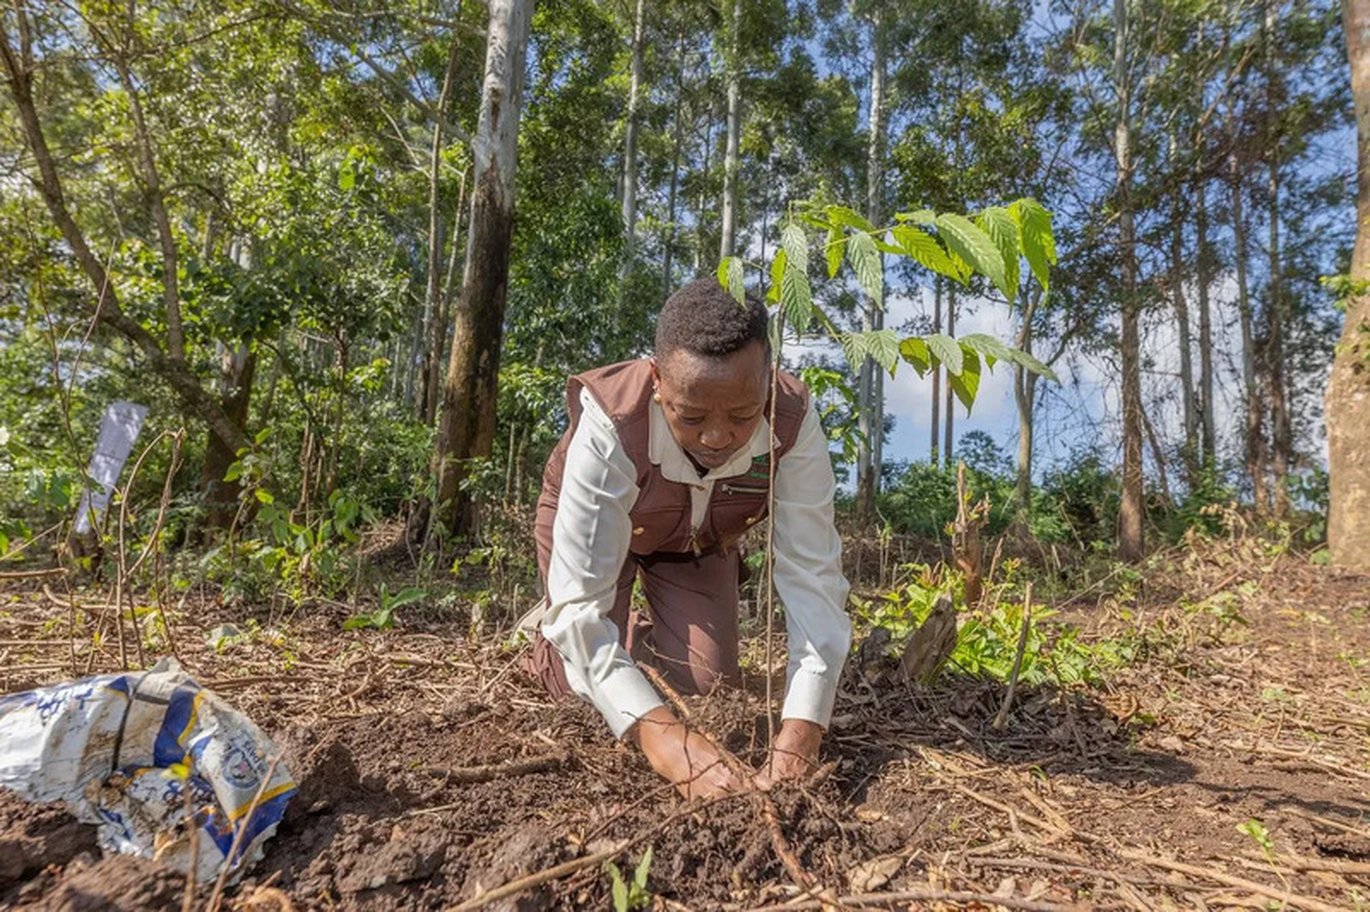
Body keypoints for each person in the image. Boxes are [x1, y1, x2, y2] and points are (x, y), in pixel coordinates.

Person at [527, 277, 851, 798]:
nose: (717, 437)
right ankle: (551, 633)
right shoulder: (612, 417)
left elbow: (812, 576)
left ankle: (626, 638)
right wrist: (664, 740)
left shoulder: (792, 419)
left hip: (692, 547)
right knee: (579, 689)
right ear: (657, 380)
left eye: (743, 415)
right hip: (600, 534)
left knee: (706, 686)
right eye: (691, 416)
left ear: (768, 381)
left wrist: (802, 731)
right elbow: (582, 608)